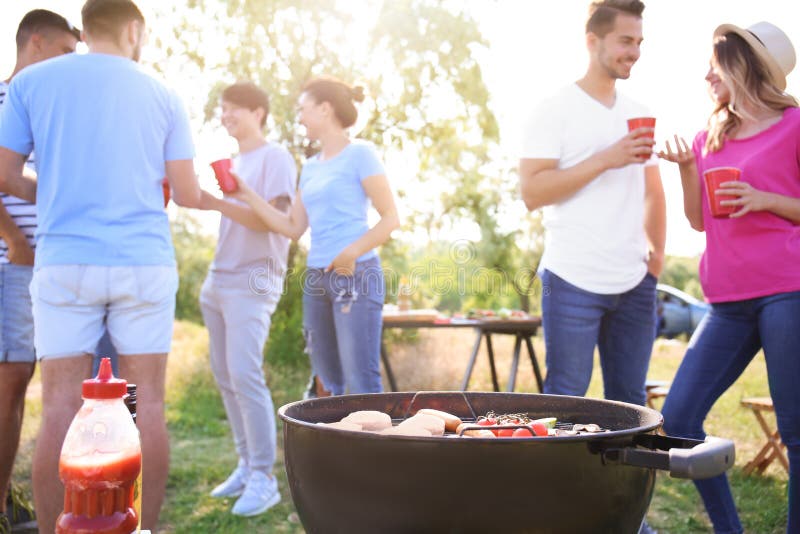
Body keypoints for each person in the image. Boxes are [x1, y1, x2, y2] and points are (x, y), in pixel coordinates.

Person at [0, 0, 202, 531]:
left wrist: (57, 196)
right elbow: (182, 190)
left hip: (65, 259)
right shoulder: (163, 94)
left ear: (85, 29)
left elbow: (5, 173)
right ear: (134, 29)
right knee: (148, 403)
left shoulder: (32, 84)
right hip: (143, 261)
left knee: (61, 404)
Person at [658, 21, 799, 534]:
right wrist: (684, 169)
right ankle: (728, 530)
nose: (706, 75)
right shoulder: (709, 135)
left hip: (788, 290)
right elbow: (699, 219)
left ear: (746, 66)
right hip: (726, 301)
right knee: (678, 417)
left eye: (714, 65)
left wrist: (767, 201)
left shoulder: (795, 125)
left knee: (796, 433)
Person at [519, 0, 666, 406]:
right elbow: (532, 192)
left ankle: (624, 474)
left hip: (635, 282)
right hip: (571, 279)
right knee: (566, 398)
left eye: (639, 42)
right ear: (592, 40)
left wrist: (656, 262)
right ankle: (558, 474)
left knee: (631, 402)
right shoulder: (554, 109)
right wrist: (607, 158)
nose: (634, 51)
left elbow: (653, 191)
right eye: (624, 40)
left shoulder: (640, 113)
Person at [234, 77, 399, 396]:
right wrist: (248, 195)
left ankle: (375, 446)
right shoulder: (309, 167)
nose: (299, 118)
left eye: (303, 110)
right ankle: (339, 447)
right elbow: (293, 227)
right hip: (317, 278)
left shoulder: (360, 155)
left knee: (360, 380)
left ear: (325, 109)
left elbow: (391, 218)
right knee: (328, 381)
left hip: (356, 274)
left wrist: (351, 253)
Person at [197, 82, 295, 516]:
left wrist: (217, 203)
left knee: (245, 374)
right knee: (225, 375)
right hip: (218, 278)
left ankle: (264, 477)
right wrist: (213, 201)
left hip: (253, 282)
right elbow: (236, 217)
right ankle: (245, 464)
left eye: (234, 108)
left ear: (258, 112)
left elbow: (271, 223)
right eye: (223, 109)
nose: (226, 116)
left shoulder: (275, 159)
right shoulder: (234, 162)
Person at [0, 9, 80, 531]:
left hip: (37, 260)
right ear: (35, 43)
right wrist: (13, 238)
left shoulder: (47, 107)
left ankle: (6, 497)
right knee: (10, 382)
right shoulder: (6, 98)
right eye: (65, 54)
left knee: (18, 380)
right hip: (13, 258)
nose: (71, 67)